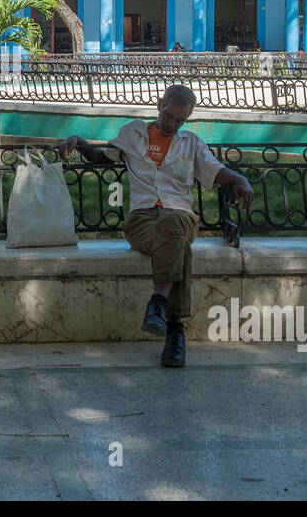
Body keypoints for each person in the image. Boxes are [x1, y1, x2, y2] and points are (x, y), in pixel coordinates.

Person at [59, 84, 253, 368]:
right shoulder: (133, 133)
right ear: (160, 104)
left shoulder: (191, 143)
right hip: (141, 220)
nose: (172, 124)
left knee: (174, 223)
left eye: (179, 120)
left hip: (181, 217)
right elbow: (104, 158)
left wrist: (239, 178)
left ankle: (159, 305)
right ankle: (175, 333)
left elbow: (213, 170)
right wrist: (79, 140)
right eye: (169, 116)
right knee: (179, 249)